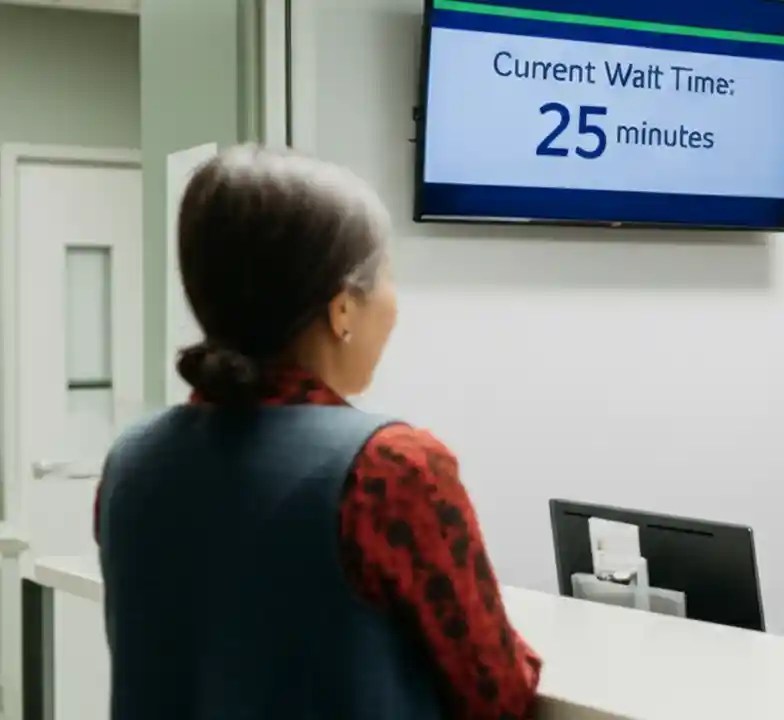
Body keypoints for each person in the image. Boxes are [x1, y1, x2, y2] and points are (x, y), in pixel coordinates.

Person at [94, 146, 540, 720]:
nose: (396, 307)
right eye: (388, 278)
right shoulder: (389, 469)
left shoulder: (130, 460)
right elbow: (497, 693)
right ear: (342, 310)